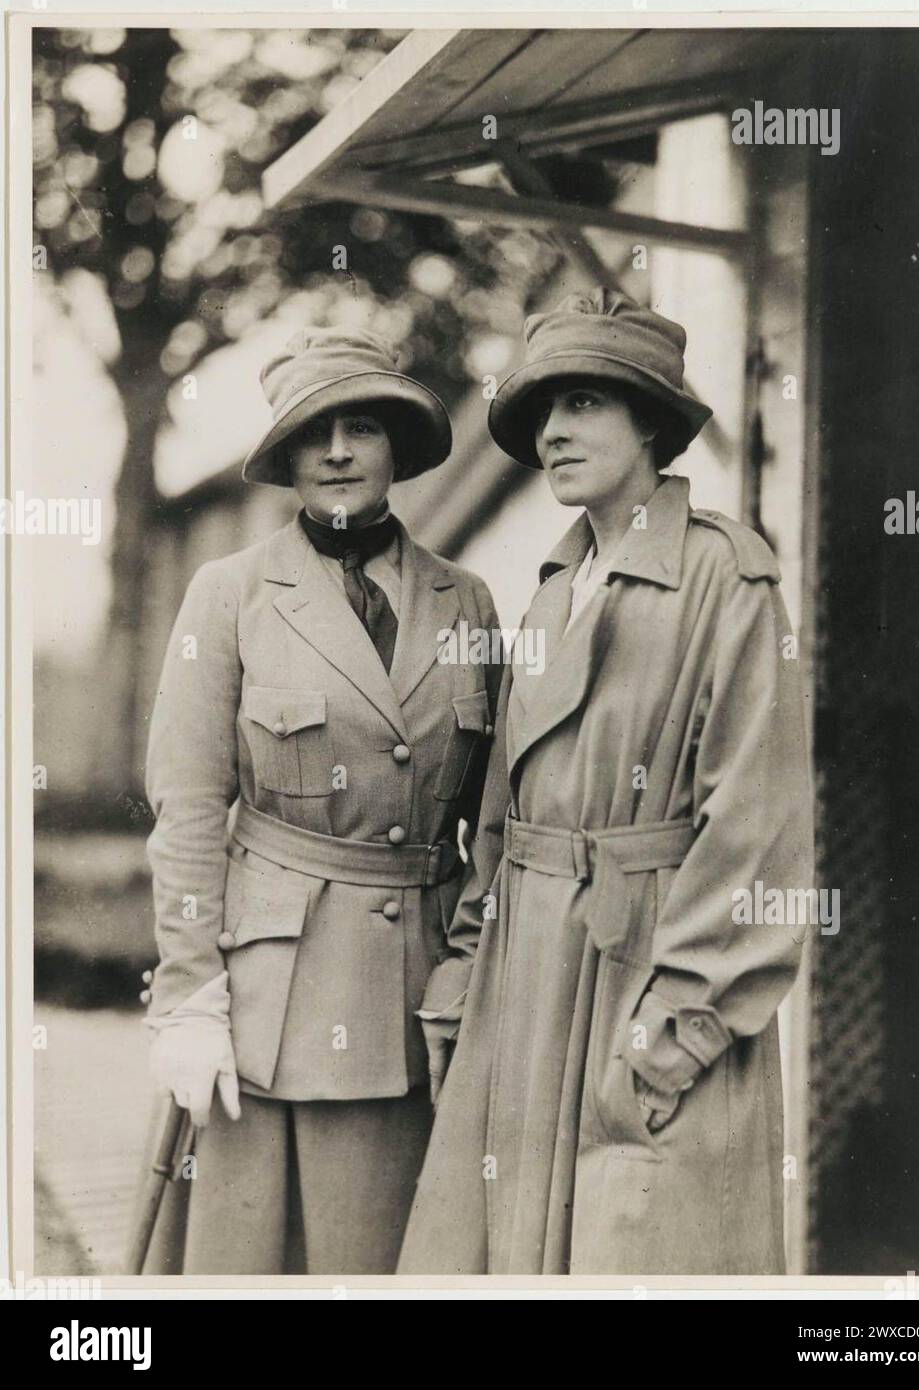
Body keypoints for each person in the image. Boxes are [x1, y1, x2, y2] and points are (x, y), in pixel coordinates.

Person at [398, 288, 814, 1275]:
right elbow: (497, 818)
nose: (553, 431)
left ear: (649, 422)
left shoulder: (728, 576)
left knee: (639, 1245)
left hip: (650, 973)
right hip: (525, 980)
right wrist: (463, 970)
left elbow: (756, 825)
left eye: (584, 403)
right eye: (543, 410)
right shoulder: (547, 591)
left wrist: (676, 1030)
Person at [138, 326, 500, 1274]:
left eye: (362, 428)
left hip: (416, 997)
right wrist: (187, 999)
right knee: (256, 1261)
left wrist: (465, 969)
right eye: (314, 433)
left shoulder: (469, 603)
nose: (338, 450)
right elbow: (186, 810)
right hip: (272, 1004)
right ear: (290, 457)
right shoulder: (230, 594)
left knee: (394, 1261)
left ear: (395, 448)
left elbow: (492, 820)